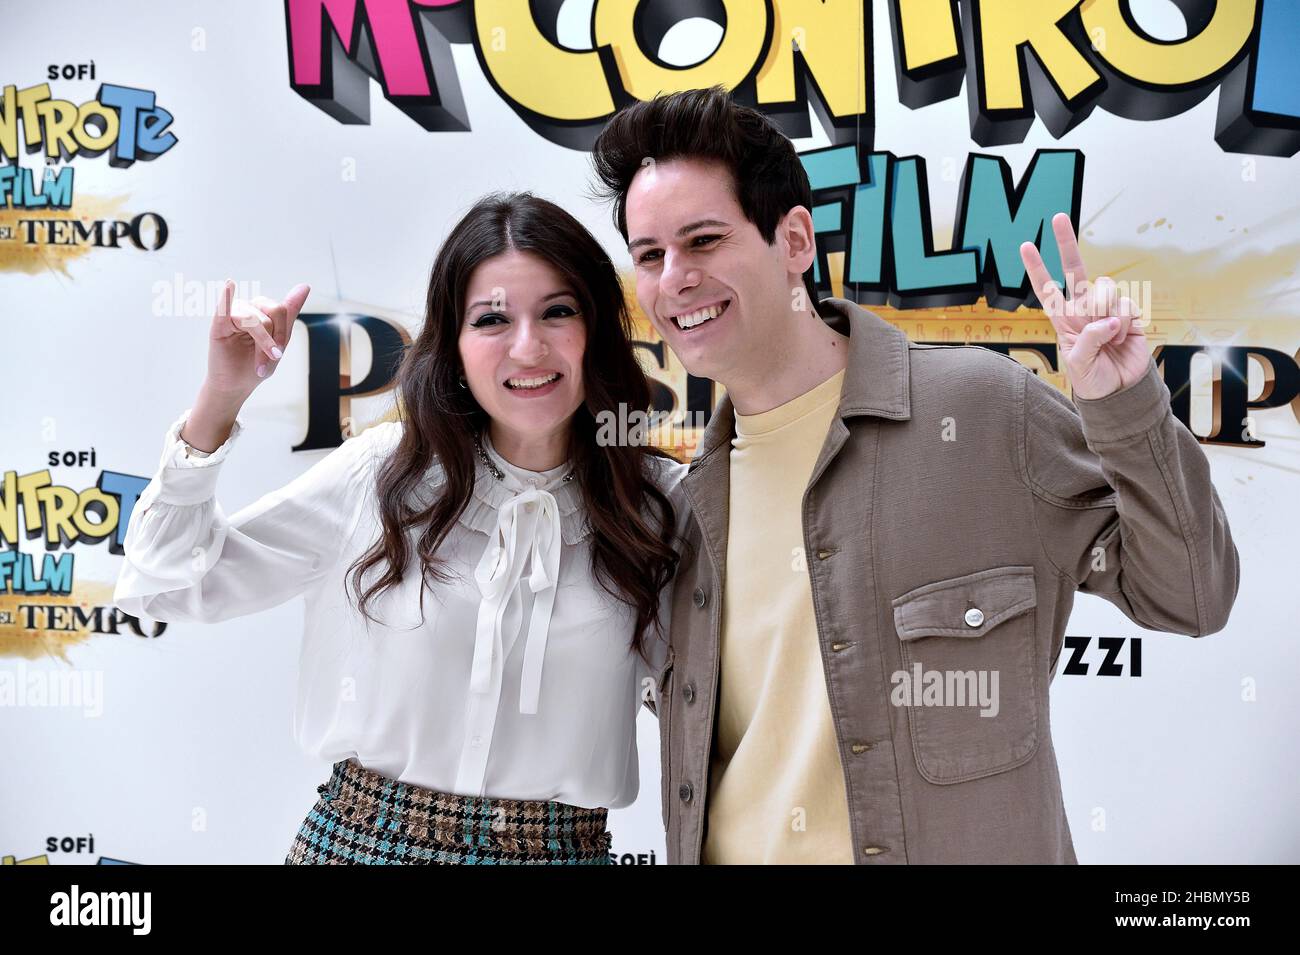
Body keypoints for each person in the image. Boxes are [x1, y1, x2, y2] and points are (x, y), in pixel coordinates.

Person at [589, 86, 1240, 864]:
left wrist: (1125, 403)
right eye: (650, 255)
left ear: (795, 239)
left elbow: (1192, 595)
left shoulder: (986, 410)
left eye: (703, 240)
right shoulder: (684, 506)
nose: (674, 279)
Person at [113, 192, 685, 865]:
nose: (528, 346)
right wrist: (220, 399)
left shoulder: (657, 506)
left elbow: (720, 703)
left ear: (599, 330)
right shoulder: (384, 475)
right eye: (492, 318)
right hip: (361, 846)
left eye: (558, 311)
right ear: (455, 344)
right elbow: (168, 581)